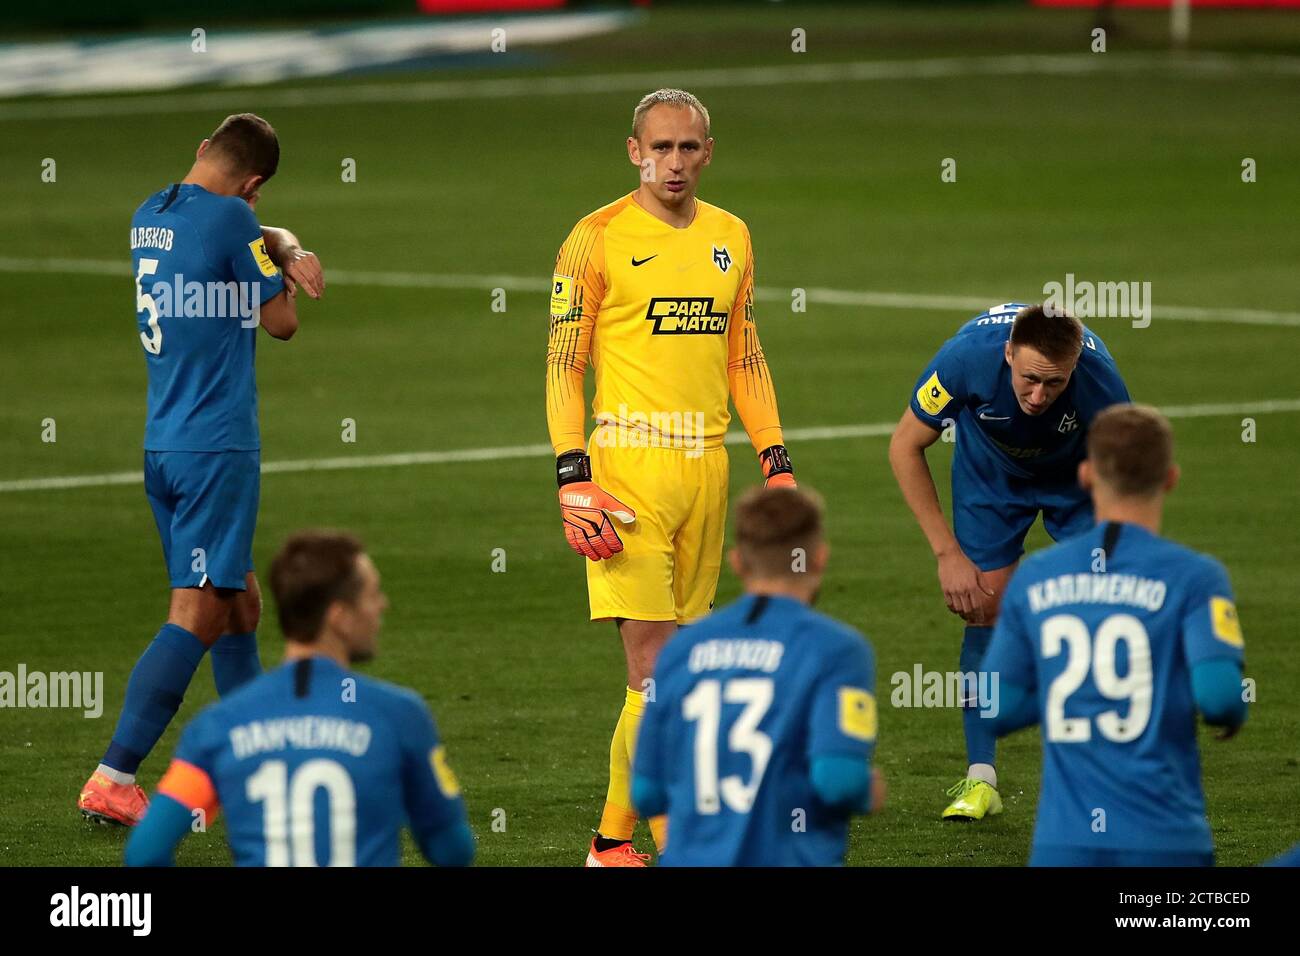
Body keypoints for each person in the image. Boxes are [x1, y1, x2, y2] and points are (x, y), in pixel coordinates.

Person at [545, 88, 796, 865]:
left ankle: (634, 834)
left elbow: (743, 354)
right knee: (652, 665)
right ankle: (623, 840)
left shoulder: (732, 237)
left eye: (688, 148)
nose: (674, 162)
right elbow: (564, 364)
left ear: (708, 152)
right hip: (627, 471)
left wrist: (775, 459)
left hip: (707, 469)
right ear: (634, 151)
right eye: (660, 148)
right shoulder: (595, 239)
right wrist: (571, 477)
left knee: (680, 670)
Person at [81, 113, 324, 826]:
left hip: (164, 444)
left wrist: (272, 238)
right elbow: (281, 323)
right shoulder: (230, 224)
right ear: (253, 186)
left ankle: (255, 775)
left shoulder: (148, 212)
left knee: (239, 604)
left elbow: (244, 235)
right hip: (217, 446)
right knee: (197, 612)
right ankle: (115, 775)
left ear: (201, 152)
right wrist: (283, 250)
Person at [888, 302, 1129, 820]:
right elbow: (905, 445)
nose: (1039, 396)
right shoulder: (965, 359)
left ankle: (1098, 776)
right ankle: (981, 781)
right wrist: (946, 553)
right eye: (1029, 379)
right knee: (982, 607)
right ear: (1007, 354)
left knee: (1097, 611)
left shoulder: (1101, 383)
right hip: (990, 475)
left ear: (1074, 372)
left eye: (1054, 384)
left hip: (1077, 478)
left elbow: (1123, 480)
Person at [985, 405, 1247, 865]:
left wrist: (1076, 691)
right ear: (1170, 477)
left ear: (1085, 475)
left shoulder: (1036, 576)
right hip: (1164, 838)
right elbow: (1221, 698)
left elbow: (996, 706)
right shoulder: (1196, 577)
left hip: (1063, 844)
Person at [125, 531, 474, 867]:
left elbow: (145, 852)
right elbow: (451, 849)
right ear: (339, 617)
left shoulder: (217, 728)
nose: (382, 605)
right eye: (372, 595)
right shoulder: (399, 716)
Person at [631, 486, 884, 866]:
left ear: (737, 562)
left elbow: (648, 792)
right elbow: (839, 780)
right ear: (819, 558)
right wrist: (868, 791)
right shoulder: (836, 649)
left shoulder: (681, 650)